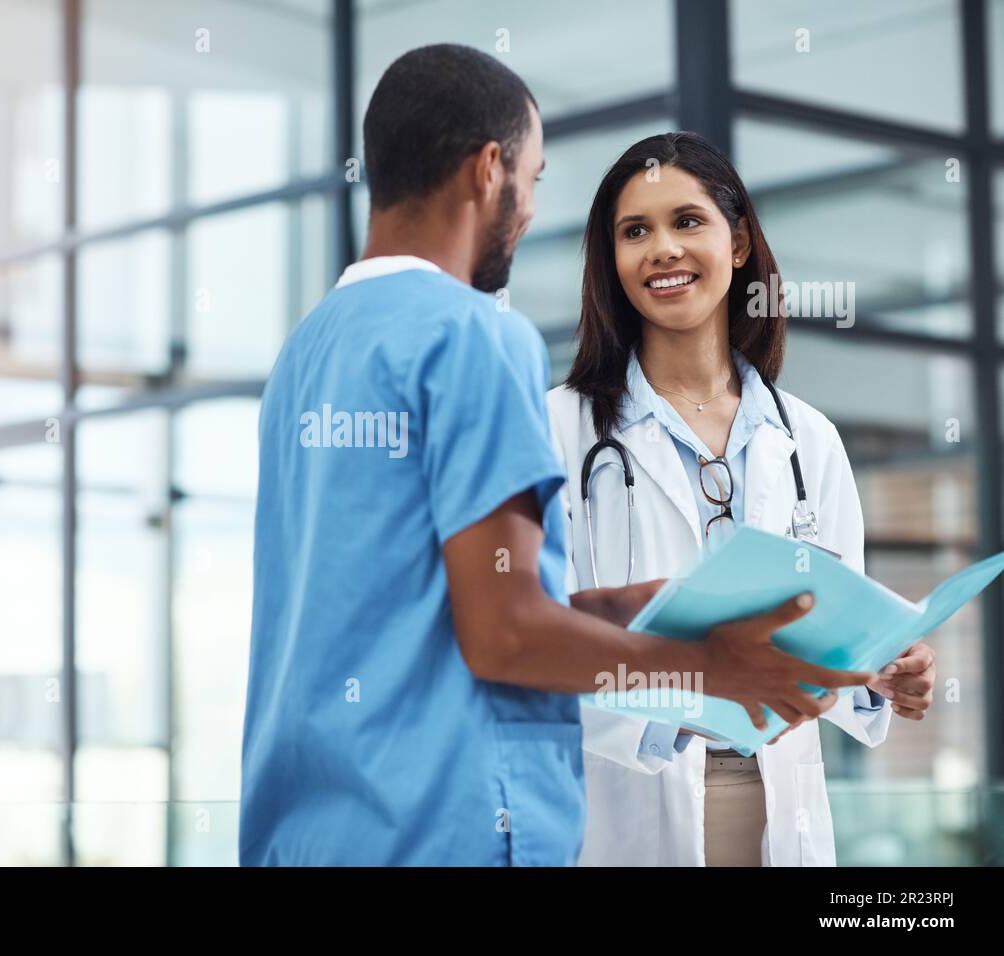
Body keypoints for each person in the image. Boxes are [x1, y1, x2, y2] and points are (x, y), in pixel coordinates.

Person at [239, 45, 875, 867]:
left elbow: (437, 603)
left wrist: (651, 604)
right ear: (488, 170)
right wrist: (706, 666)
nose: (532, 210)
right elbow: (504, 632)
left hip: (314, 827)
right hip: (441, 824)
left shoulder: (307, 352)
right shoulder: (472, 334)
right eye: (534, 180)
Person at [546, 131, 936, 866]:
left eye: (687, 221)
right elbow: (540, 646)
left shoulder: (809, 440)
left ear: (739, 244)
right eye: (636, 231)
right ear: (613, 262)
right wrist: (678, 703)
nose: (662, 249)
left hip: (778, 809)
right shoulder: (559, 431)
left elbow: (833, 632)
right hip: (632, 806)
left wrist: (879, 670)